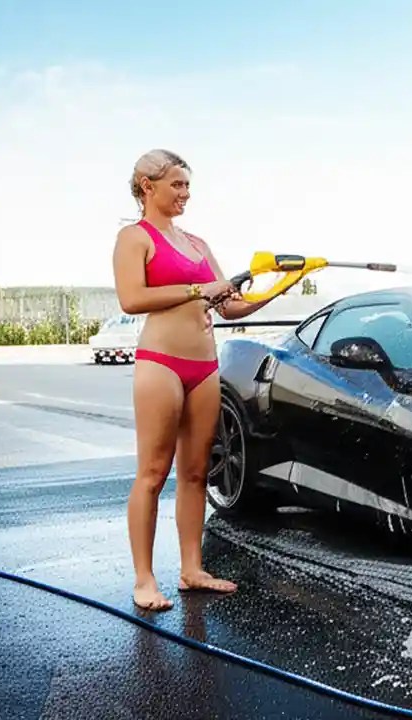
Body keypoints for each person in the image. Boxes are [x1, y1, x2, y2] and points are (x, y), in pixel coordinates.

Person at [112, 149, 301, 611]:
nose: (185, 194)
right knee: (154, 473)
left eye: (187, 186)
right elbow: (131, 299)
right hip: (161, 364)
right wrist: (200, 289)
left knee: (196, 472)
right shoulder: (134, 238)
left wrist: (271, 292)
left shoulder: (197, 243)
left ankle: (192, 569)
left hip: (204, 366)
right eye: (176, 185)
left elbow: (228, 304)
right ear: (146, 187)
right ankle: (143, 579)